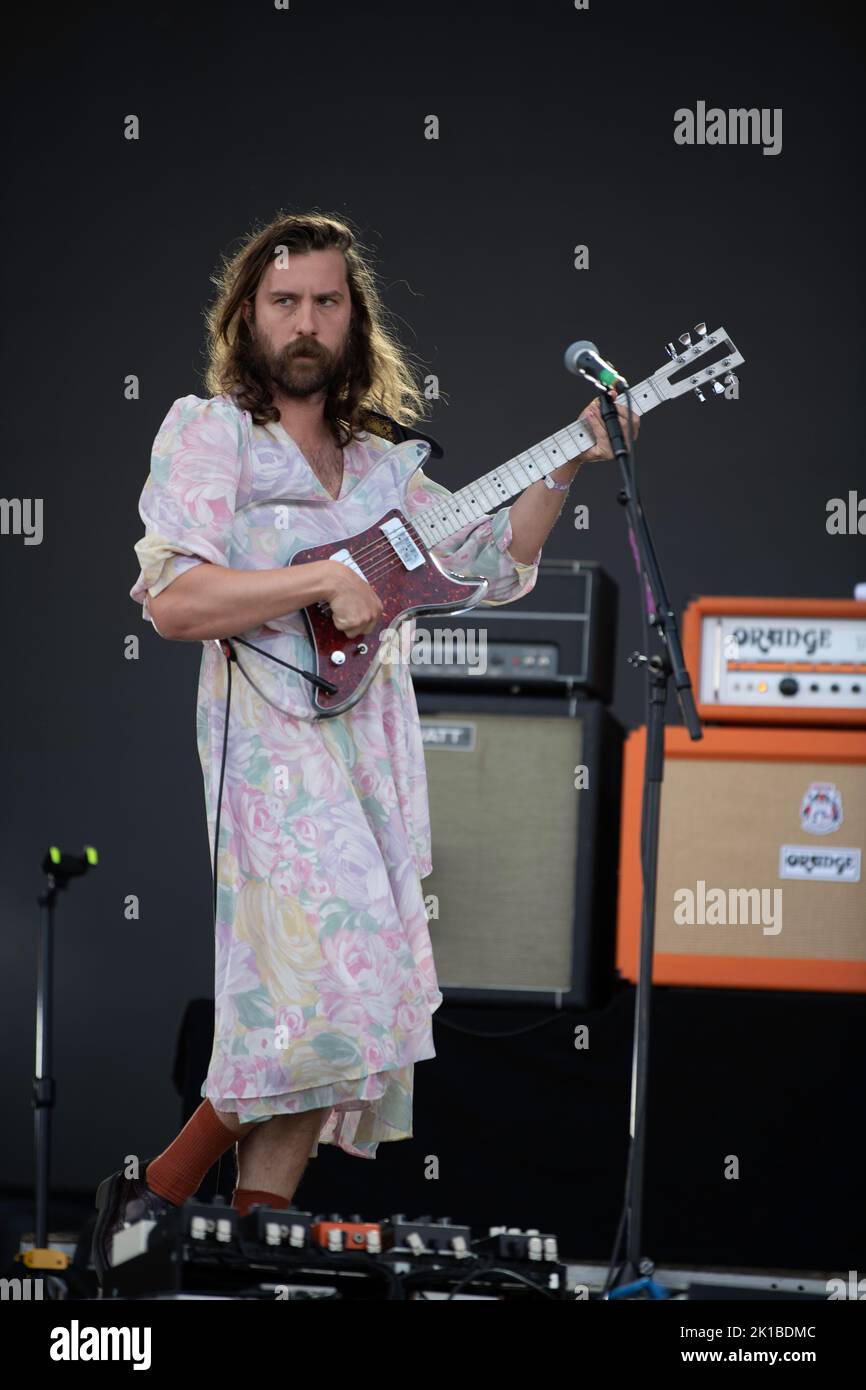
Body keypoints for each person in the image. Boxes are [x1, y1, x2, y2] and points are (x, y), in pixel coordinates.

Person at [92, 211, 638, 1280]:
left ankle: (241, 1240)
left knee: (351, 1017)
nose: (306, 321)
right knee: (324, 992)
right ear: (247, 313)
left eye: (327, 302)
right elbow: (174, 599)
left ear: (354, 317)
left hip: (372, 746)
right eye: (285, 300)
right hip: (268, 745)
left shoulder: (387, 470)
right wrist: (312, 580)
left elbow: (497, 558)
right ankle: (155, 1189)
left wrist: (571, 459)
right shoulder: (209, 435)